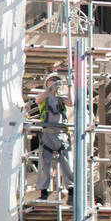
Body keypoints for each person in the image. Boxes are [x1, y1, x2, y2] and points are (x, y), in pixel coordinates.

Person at [34, 72, 73, 201]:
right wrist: (50, 90)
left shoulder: (61, 97)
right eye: (52, 80)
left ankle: (71, 189)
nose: (55, 82)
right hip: (47, 133)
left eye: (57, 80)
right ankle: (44, 191)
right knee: (45, 164)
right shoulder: (44, 97)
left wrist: (70, 86)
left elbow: (71, 102)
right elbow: (38, 100)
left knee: (66, 162)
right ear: (47, 83)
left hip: (61, 133)